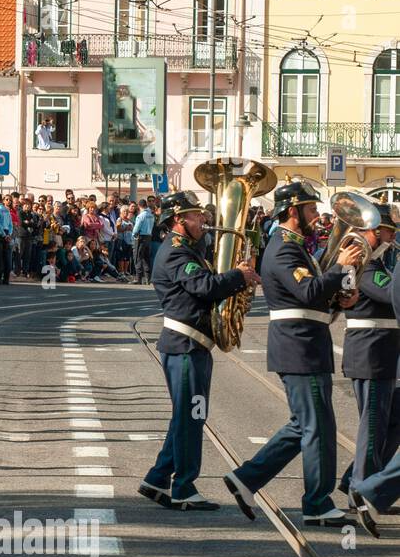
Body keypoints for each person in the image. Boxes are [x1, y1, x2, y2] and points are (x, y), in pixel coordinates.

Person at [223, 181, 364, 527]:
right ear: (292, 212)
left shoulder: (298, 248)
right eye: (312, 210)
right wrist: (338, 267)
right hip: (299, 348)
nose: (318, 217)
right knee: (317, 427)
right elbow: (306, 291)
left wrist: (344, 293)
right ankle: (316, 502)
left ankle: (247, 479)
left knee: (304, 425)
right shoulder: (284, 248)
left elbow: (319, 296)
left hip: (306, 346)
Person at [138, 191, 257, 510]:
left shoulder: (189, 249)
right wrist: (238, 277)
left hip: (191, 345)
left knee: (186, 415)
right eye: (197, 216)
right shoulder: (177, 253)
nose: (204, 220)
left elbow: (208, 284)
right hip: (185, 345)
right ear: (179, 220)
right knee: (192, 416)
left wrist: (239, 279)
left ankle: (158, 477)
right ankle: (184, 487)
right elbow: (205, 287)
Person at [334, 202, 395, 521]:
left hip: (382, 354)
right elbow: (389, 296)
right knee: (372, 429)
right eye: (388, 230)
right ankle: (362, 490)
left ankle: (354, 481)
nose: (392, 235)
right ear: (372, 231)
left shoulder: (379, 261)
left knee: (391, 423)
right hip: (370, 354)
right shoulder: (367, 265)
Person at [132, 199, 156, 284]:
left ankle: (138, 279)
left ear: (139, 206)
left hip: (140, 237)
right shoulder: (151, 215)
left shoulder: (141, 216)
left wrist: (133, 234)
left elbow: (136, 228)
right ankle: (148, 279)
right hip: (148, 237)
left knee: (138, 257)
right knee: (146, 258)